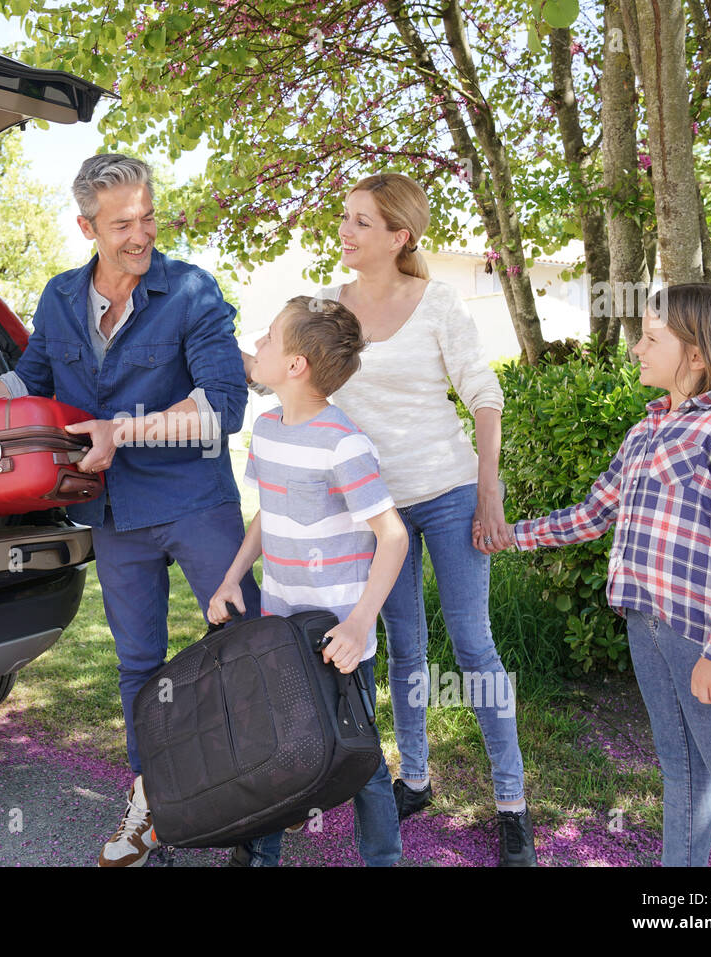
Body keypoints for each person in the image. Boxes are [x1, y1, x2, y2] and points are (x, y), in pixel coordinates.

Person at [0, 154, 260, 867]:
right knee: (137, 666)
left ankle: (258, 816)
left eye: (148, 215)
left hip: (195, 503)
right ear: (86, 226)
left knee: (245, 652)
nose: (141, 233)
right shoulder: (60, 298)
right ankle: (148, 807)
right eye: (122, 222)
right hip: (114, 513)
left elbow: (222, 408)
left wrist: (121, 430)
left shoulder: (191, 290)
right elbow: (25, 385)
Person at [243, 173, 535, 864]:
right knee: (401, 648)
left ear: (400, 235)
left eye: (362, 221)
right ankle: (415, 777)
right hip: (375, 506)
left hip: (450, 490)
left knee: (472, 646)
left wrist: (488, 490)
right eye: (344, 217)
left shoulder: (436, 303)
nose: (344, 230)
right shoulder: (328, 307)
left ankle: (513, 802)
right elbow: (287, 369)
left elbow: (483, 395)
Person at [504, 283, 711, 866]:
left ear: (696, 355)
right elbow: (594, 513)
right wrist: (506, 535)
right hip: (648, 628)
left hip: (709, 637)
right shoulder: (646, 432)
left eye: (651, 339)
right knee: (683, 775)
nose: (637, 350)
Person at [209, 295, 410, 866]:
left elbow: (392, 536)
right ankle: (260, 857)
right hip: (281, 625)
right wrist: (231, 580)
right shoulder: (267, 428)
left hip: (338, 638)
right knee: (275, 747)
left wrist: (358, 622)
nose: (260, 343)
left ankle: (383, 859)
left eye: (270, 337)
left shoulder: (344, 443)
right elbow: (267, 515)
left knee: (358, 757)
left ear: (294, 365)